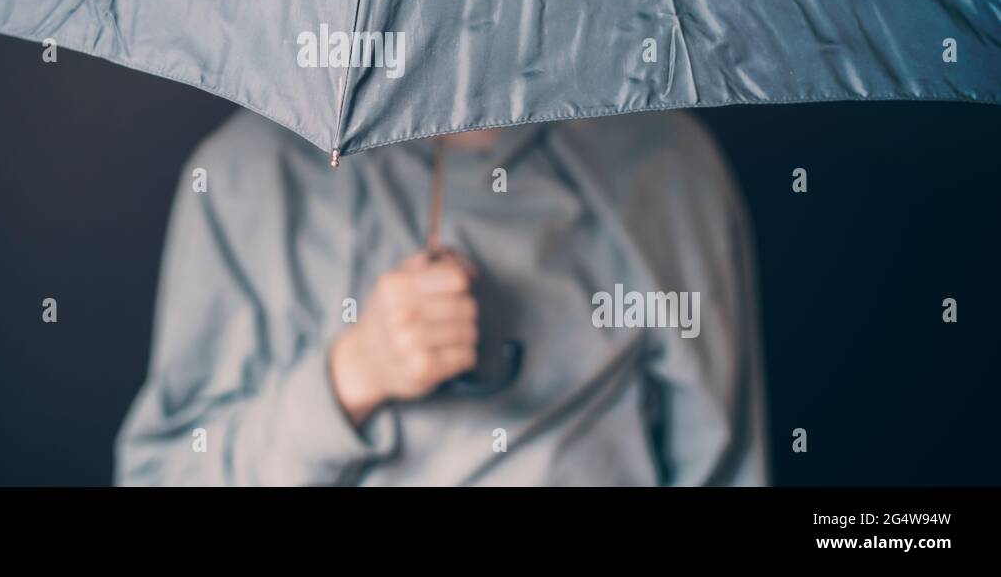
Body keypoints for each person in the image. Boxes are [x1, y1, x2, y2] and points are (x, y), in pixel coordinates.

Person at [115, 109, 767, 485]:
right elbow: (166, 473)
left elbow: (727, 462)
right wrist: (350, 376)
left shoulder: (666, 165)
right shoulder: (248, 176)